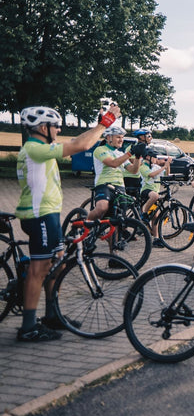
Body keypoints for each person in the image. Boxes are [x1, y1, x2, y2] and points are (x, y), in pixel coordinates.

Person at [14, 103, 121, 342]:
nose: (59, 130)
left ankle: (53, 316)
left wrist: (99, 125)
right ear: (43, 127)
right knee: (38, 270)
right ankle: (28, 327)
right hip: (38, 215)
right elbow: (80, 145)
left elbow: (79, 140)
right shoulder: (34, 148)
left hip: (49, 214)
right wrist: (107, 123)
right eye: (56, 126)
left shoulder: (43, 146)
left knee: (58, 265)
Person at [87, 126, 140, 222]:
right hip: (104, 184)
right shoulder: (100, 150)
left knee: (118, 218)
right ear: (108, 138)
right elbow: (113, 163)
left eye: (122, 137)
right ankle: (85, 225)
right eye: (118, 137)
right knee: (102, 207)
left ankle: (113, 237)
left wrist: (138, 156)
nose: (121, 140)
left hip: (120, 186)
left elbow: (133, 170)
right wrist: (129, 153)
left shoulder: (120, 154)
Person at [135, 143, 170, 248]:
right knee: (155, 196)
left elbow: (166, 175)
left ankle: (156, 238)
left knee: (156, 217)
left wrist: (167, 166)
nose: (156, 159)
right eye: (155, 157)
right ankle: (144, 214)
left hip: (155, 192)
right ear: (148, 157)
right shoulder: (143, 167)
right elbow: (151, 175)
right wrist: (163, 166)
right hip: (146, 191)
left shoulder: (155, 166)